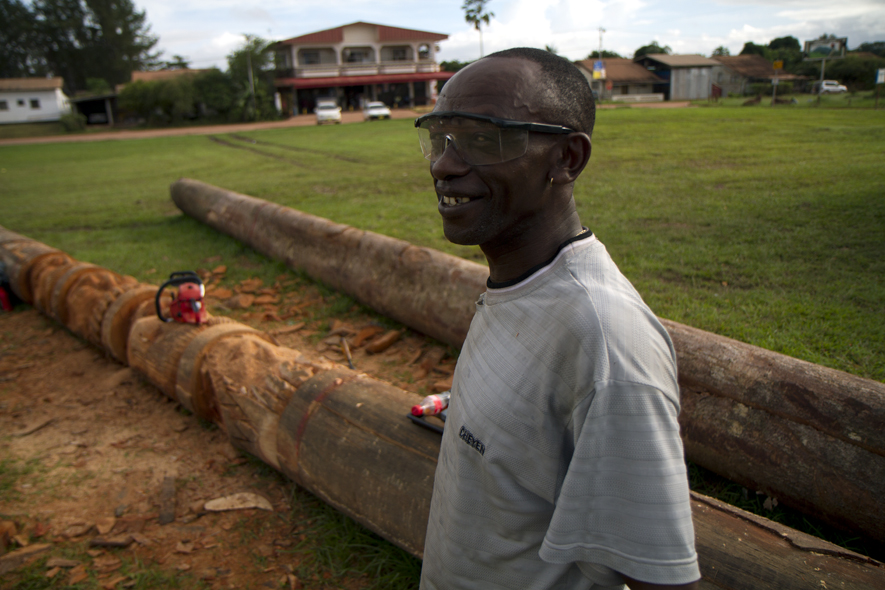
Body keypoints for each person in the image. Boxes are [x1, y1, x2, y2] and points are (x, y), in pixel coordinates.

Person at [415, 48, 701, 590]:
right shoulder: (520, 285)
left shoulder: (604, 338)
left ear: (567, 158)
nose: (443, 164)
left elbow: (659, 576)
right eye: (441, 138)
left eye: (483, 139)